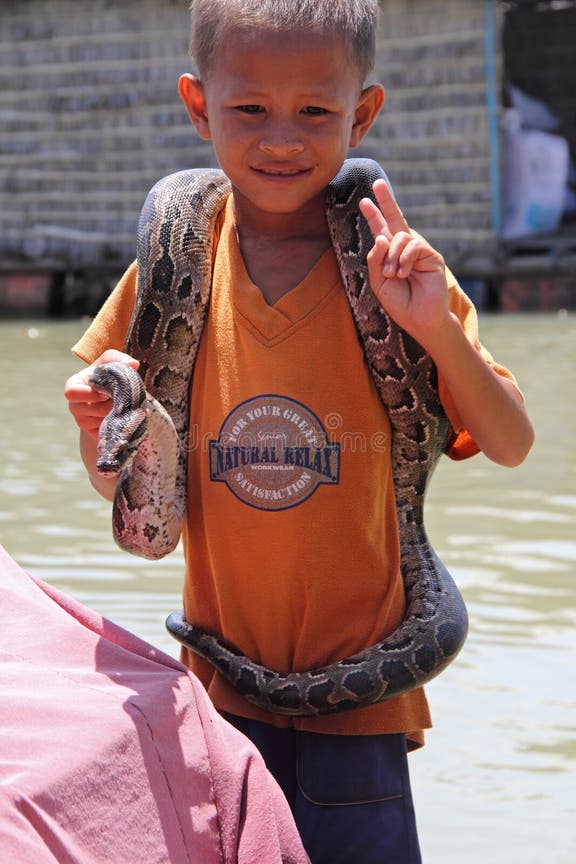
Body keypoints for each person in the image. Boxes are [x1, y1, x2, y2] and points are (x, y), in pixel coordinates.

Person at [64, 1, 534, 861]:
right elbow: (144, 527)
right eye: (250, 107)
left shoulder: (400, 270)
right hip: (216, 699)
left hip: (363, 712)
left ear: (362, 116)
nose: (281, 138)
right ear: (199, 106)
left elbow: (511, 443)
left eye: (315, 110)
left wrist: (434, 328)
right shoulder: (169, 264)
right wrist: (106, 437)